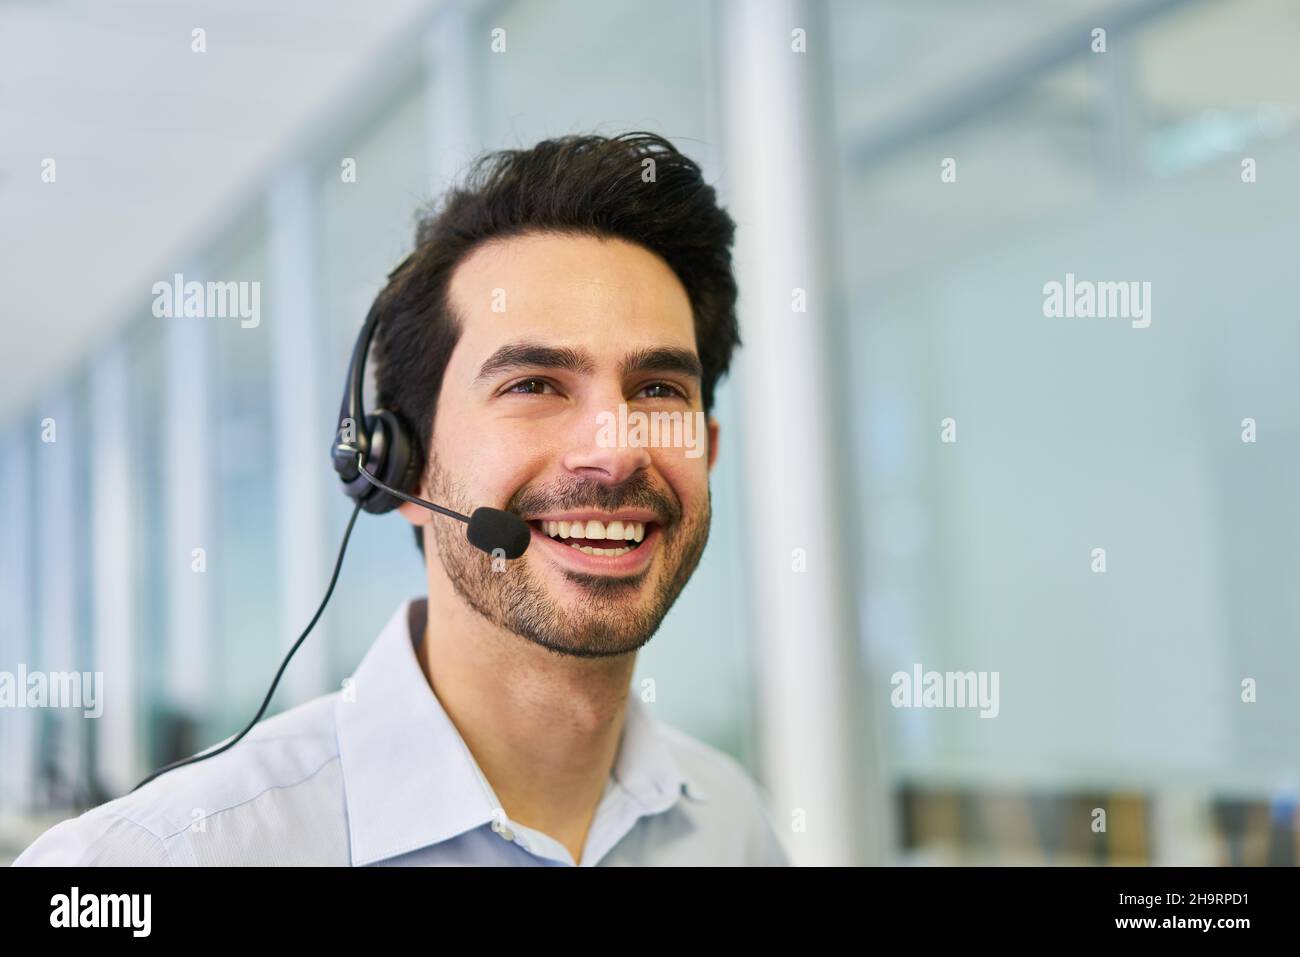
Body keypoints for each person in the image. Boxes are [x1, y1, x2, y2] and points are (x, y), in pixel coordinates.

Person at [15, 132, 789, 867]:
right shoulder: (159, 856)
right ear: (400, 468)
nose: (614, 447)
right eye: (534, 385)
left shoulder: (729, 822)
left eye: (657, 388)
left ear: (709, 452)